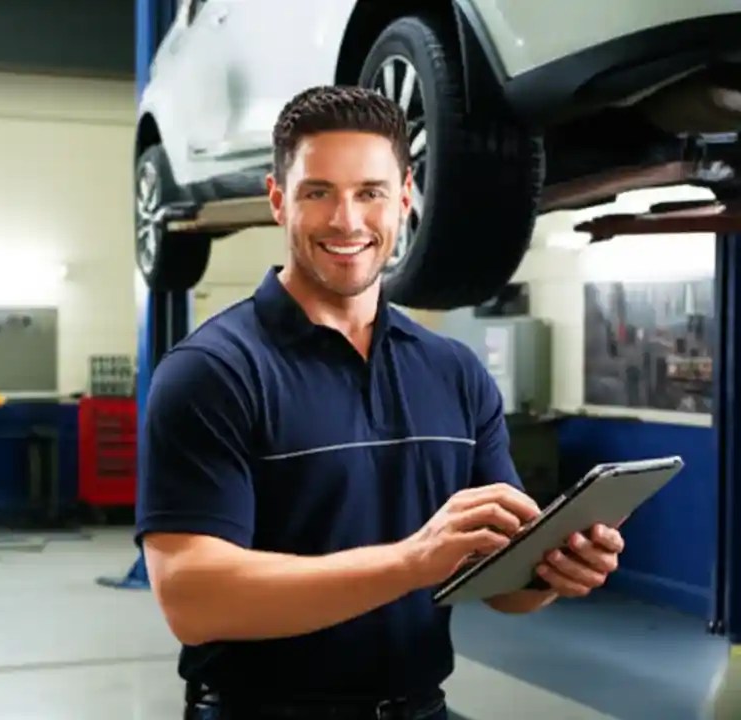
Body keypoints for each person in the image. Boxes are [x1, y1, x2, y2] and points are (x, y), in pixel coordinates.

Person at [134, 85, 627, 720]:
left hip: (419, 708)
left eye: (369, 192)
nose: (347, 220)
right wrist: (410, 562)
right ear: (279, 200)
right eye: (319, 192)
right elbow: (193, 601)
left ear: (405, 197)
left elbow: (502, 586)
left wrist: (553, 570)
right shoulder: (212, 373)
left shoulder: (453, 372)